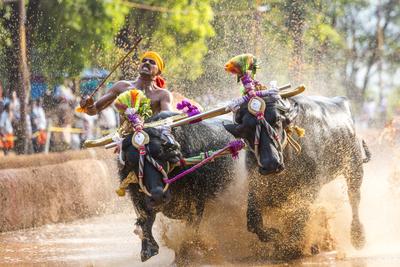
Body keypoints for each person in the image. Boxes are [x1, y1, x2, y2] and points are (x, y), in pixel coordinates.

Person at [80, 51, 172, 116]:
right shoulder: (121, 86)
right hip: (125, 139)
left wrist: (185, 113)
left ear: (159, 72)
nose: (147, 62)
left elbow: (168, 117)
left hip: (152, 138)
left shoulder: (163, 94)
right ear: (139, 66)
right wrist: (89, 105)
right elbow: (95, 110)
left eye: (152, 62)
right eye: (144, 61)